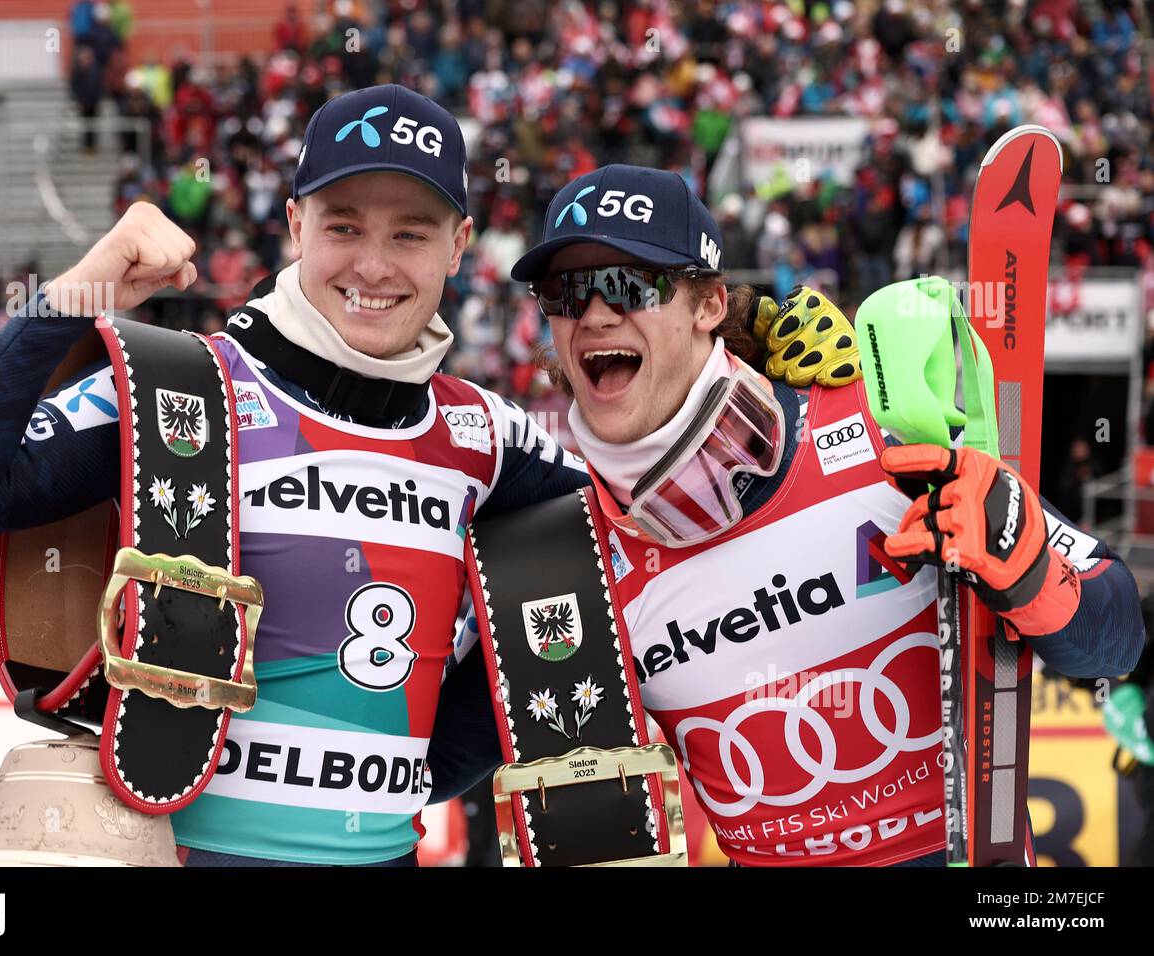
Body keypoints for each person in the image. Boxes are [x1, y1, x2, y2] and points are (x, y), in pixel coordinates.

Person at [0, 85, 594, 867]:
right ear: (295, 226)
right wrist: (74, 297)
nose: (372, 264)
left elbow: (609, 552)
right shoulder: (181, 389)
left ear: (459, 246)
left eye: (410, 235)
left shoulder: (485, 434)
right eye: (343, 226)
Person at [435, 164, 1145, 866]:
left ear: (708, 304)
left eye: (627, 284)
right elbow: (427, 765)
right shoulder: (565, 558)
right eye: (565, 293)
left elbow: (1116, 643)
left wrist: (1027, 578)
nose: (594, 313)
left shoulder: (880, 430)